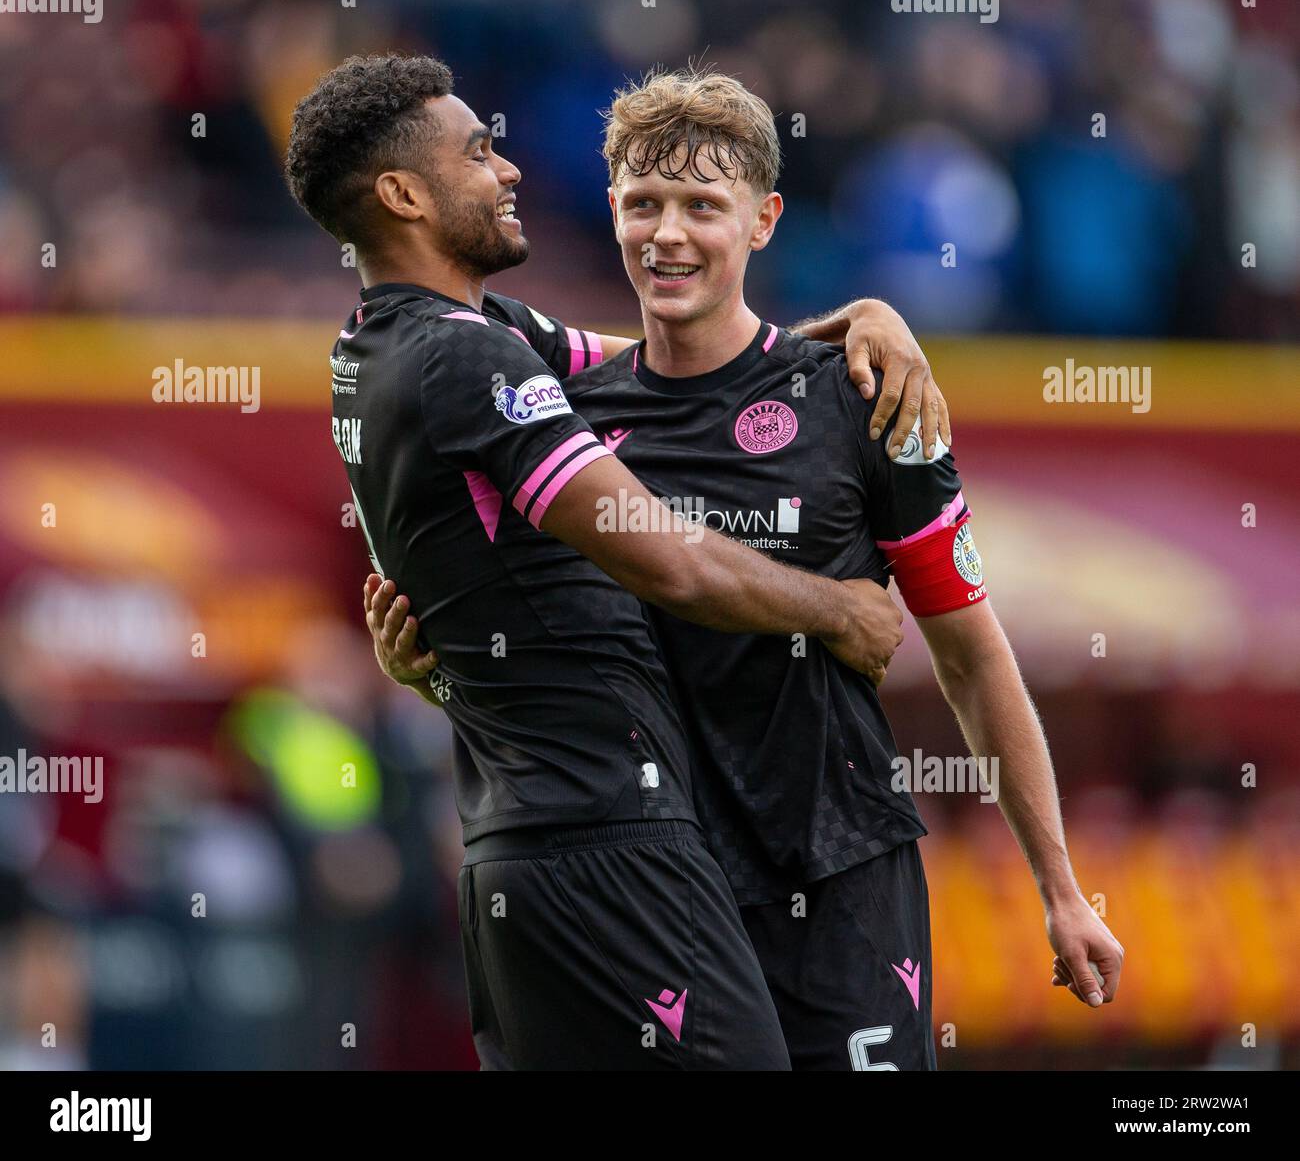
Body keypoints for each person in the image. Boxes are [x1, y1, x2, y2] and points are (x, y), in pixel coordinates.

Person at [367, 67, 1125, 1071]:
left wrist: (1061, 888)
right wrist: (429, 672)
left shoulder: (860, 398)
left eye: (701, 207)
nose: (666, 233)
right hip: (656, 884)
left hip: (838, 866)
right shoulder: (559, 405)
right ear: (611, 212)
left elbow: (972, 658)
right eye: (643, 204)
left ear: (763, 220)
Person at [285, 53, 946, 1070]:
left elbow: (667, 364)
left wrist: (857, 324)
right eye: (477, 152)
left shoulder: (394, 345)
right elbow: (668, 562)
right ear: (404, 194)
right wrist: (838, 611)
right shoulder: (467, 360)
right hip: (602, 836)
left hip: (516, 849)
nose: (507, 171)